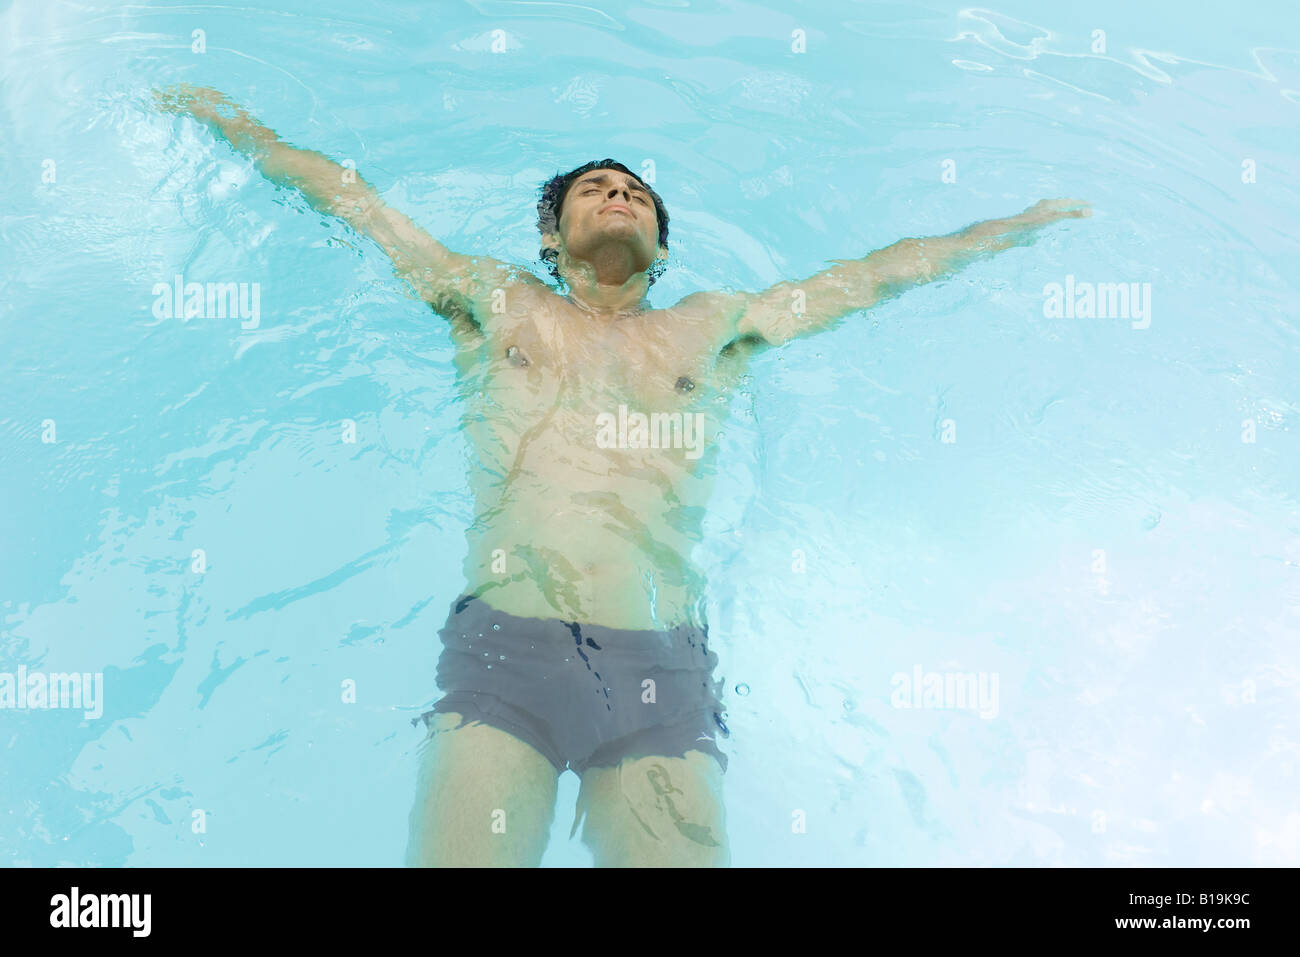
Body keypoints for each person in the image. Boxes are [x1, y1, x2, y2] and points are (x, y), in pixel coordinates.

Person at [154, 83, 1090, 867]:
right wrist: (232, 126)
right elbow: (355, 204)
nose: (620, 195)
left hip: (661, 675)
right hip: (503, 659)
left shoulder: (711, 326)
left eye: (637, 192)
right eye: (596, 189)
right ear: (550, 240)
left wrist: (1020, 226)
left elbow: (871, 278)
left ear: (665, 247)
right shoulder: (495, 302)